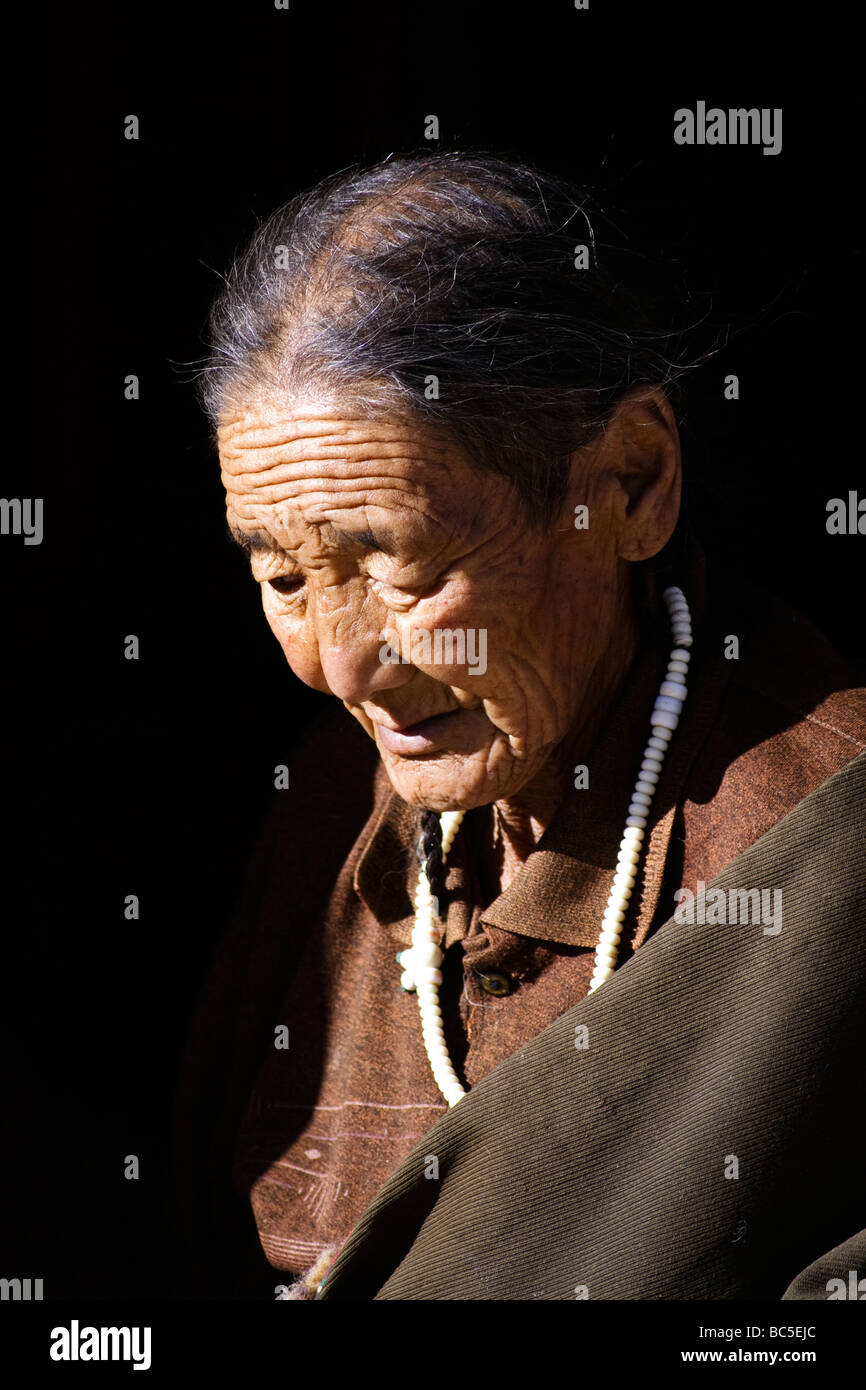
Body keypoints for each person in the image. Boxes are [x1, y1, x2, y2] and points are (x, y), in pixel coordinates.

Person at [170, 152, 865, 1301]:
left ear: (629, 485)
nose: (340, 665)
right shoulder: (335, 806)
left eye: (407, 571)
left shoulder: (827, 850)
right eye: (286, 580)